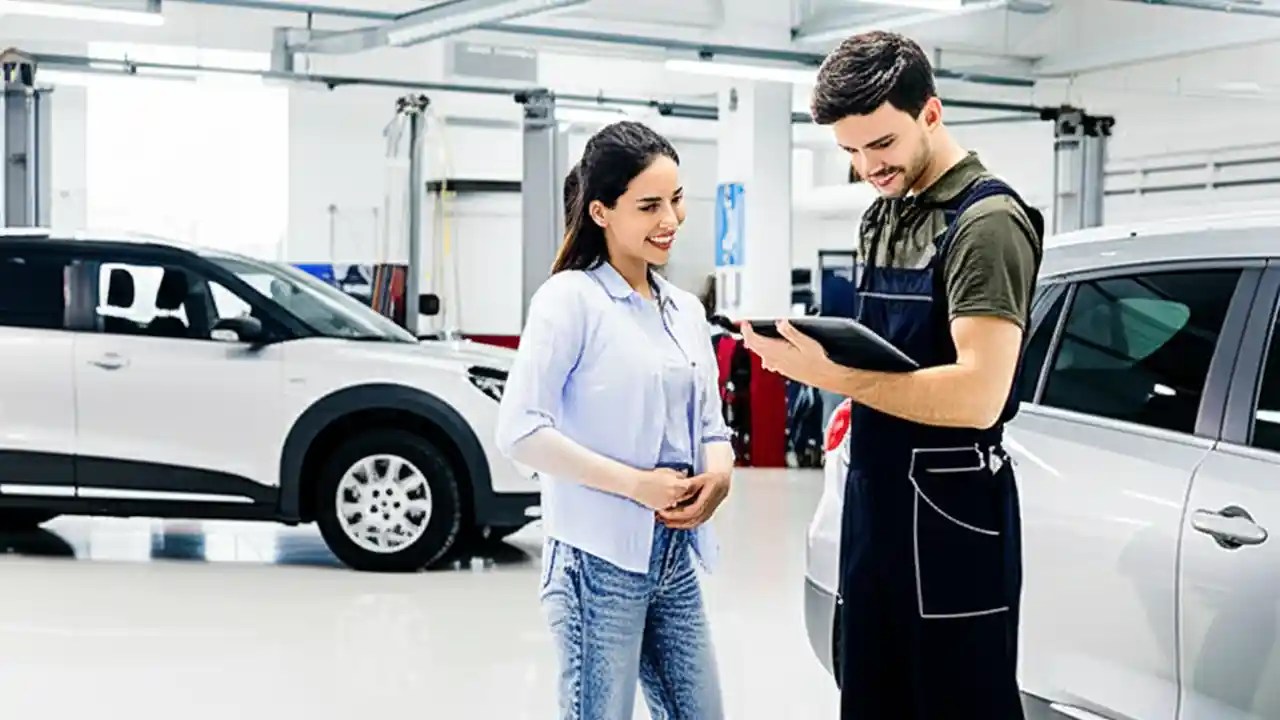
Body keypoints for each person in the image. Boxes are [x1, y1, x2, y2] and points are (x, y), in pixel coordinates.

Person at [740, 30, 1044, 719]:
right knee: (872, 693)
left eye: (880, 144)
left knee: (958, 703)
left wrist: (834, 377)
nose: (866, 166)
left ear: (929, 114)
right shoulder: (883, 213)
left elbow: (977, 395)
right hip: (876, 503)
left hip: (952, 514)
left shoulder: (988, 224)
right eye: (848, 150)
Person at [495, 121, 733, 720]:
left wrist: (720, 474)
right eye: (649, 205)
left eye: (676, 200)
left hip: (674, 554)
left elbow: (711, 426)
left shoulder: (683, 309)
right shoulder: (570, 300)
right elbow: (520, 429)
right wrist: (636, 484)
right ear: (601, 211)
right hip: (595, 559)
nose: (670, 220)